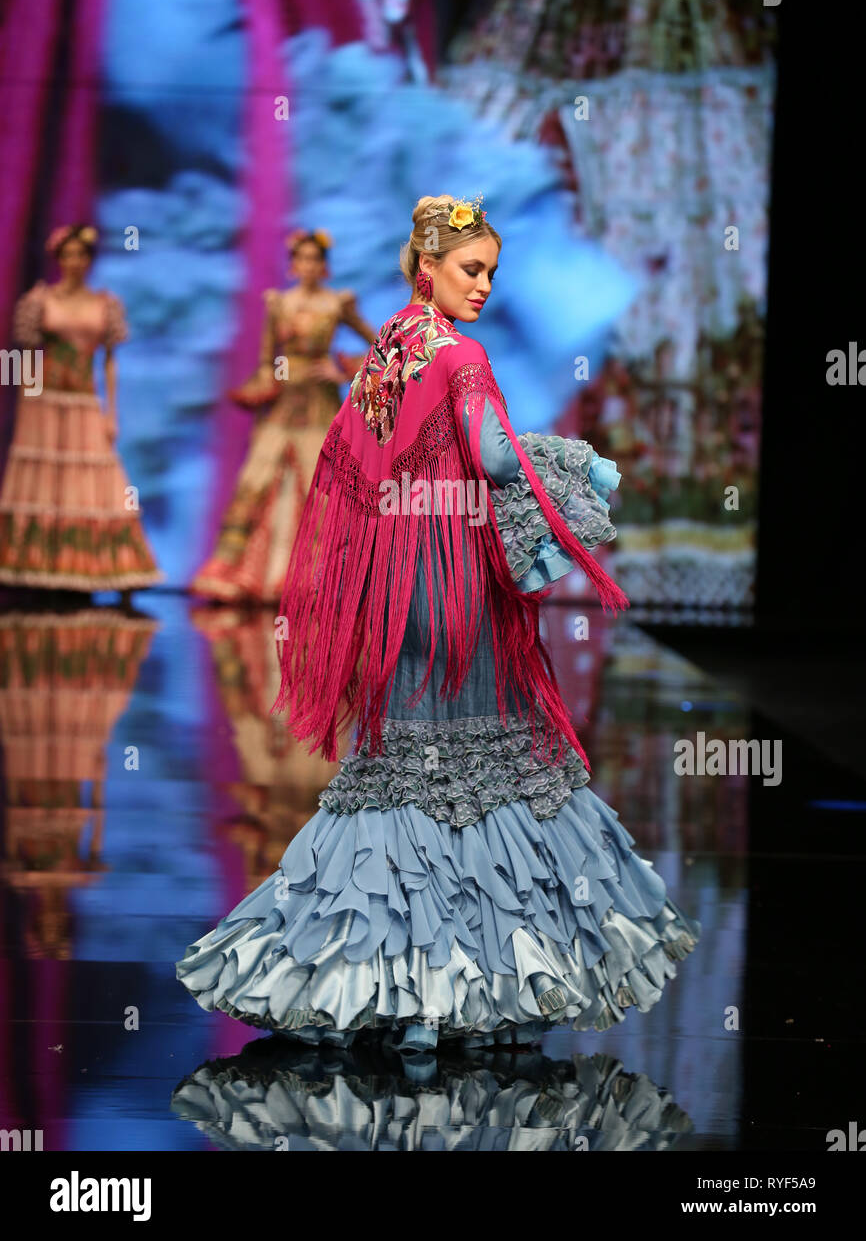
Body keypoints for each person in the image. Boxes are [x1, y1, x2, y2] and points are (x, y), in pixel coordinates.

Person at [176, 193, 700, 1052]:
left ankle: (366, 975)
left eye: (492, 271)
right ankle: (473, 982)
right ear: (428, 267)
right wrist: (563, 462)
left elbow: (353, 462)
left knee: (400, 770)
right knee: (486, 766)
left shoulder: (387, 348)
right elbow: (492, 456)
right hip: (456, 579)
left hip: (397, 581)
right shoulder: (458, 354)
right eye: (471, 269)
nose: (485, 286)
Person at [190, 229, 377, 602]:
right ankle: (251, 577)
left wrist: (342, 371)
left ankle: (320, 580)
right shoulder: (279, 303)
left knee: (319, 485)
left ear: (324, 266)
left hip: (320, 405)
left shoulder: (337, 304)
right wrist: (271, 383)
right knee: (258, 480)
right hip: (284, 405)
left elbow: (380, 345)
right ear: (294, 264)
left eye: (315, 260)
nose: (308, 266)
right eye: (302, 259)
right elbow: (266, 360)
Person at [0, 224, 163, 595]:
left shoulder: (105, 304)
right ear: (58, 260)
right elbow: (21, 354)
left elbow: (109, 361)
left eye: (81, 256)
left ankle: (93, 565)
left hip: (84, 400)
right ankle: (34, 562)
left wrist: (112, 412)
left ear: (89, 260)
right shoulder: (39, 300)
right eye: (68, 255)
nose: (74, 262)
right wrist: (25, 397)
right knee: (43, 478)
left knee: (92, 478)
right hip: (44, 400)